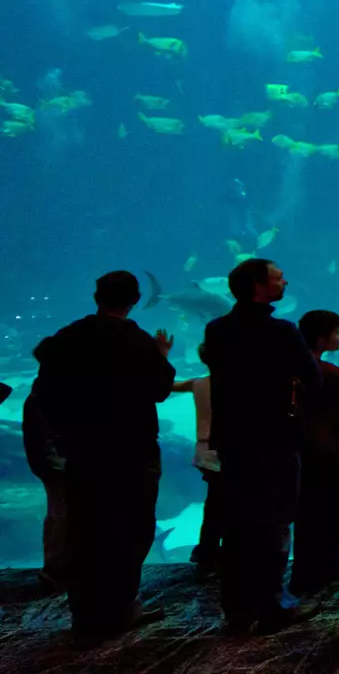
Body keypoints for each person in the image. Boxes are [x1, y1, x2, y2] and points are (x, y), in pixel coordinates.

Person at [33, 271, 175, 636]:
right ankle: (121, 607)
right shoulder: (138, 341)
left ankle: (85, 613)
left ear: (97, 296)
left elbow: (43, 394)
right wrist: (161, 356)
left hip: (84, 452)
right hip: (133, 452)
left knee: (85, 530)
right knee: (133, 529)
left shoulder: (67, 338)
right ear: (135, 300)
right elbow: (160, 390)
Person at [204, 257, 321, 633]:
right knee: (274, 520)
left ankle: (236, 607)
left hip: (233, 441)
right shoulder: (283, 331)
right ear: (258, 287)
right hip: (274, 438)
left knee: (237, 523)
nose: (284, 282)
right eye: (277, 277)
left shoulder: (217, 329)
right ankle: (274, 602)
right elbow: (312, 378)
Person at [289, 310, 339, 595]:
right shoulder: (327, 372)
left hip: (299, 448)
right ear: (322, 337)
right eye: (336, 332)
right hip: (328, 449)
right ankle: (324, 568)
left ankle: (305, 568)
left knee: (305, 510)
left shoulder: (290, 367)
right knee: (329, 508)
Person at [169, 346, 222, 576]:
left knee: (215, 503)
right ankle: (215, 554)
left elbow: (167, 385)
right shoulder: (238, 384)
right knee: (234, 504)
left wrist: (161, 356)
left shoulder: (197, 383)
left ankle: (206, 554)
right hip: (228, 450)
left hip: (203, 450)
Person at [21, 364, 71, 592]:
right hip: (55, 468)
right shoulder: (42, 401)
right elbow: (45, 441)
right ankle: (54, 569)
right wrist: (59, 467)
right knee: (61, 515)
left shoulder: (44, 397)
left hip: (57, 466)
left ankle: (60, 566)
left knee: (61, 515)